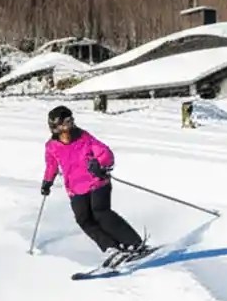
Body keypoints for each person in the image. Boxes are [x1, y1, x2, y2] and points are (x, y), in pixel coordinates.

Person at [40, 106, 149, 267]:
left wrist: (100, 165)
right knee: (84, 219)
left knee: (101, 213)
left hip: (97, 182)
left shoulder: (84, 137)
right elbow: (51, 166)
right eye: (65, 123)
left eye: (71, 121)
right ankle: (111, 248)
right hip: (75, 188)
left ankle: (133, 243)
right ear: (55, 127)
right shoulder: (51, 146)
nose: (70, 126)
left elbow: (105, 153)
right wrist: (47, 181)